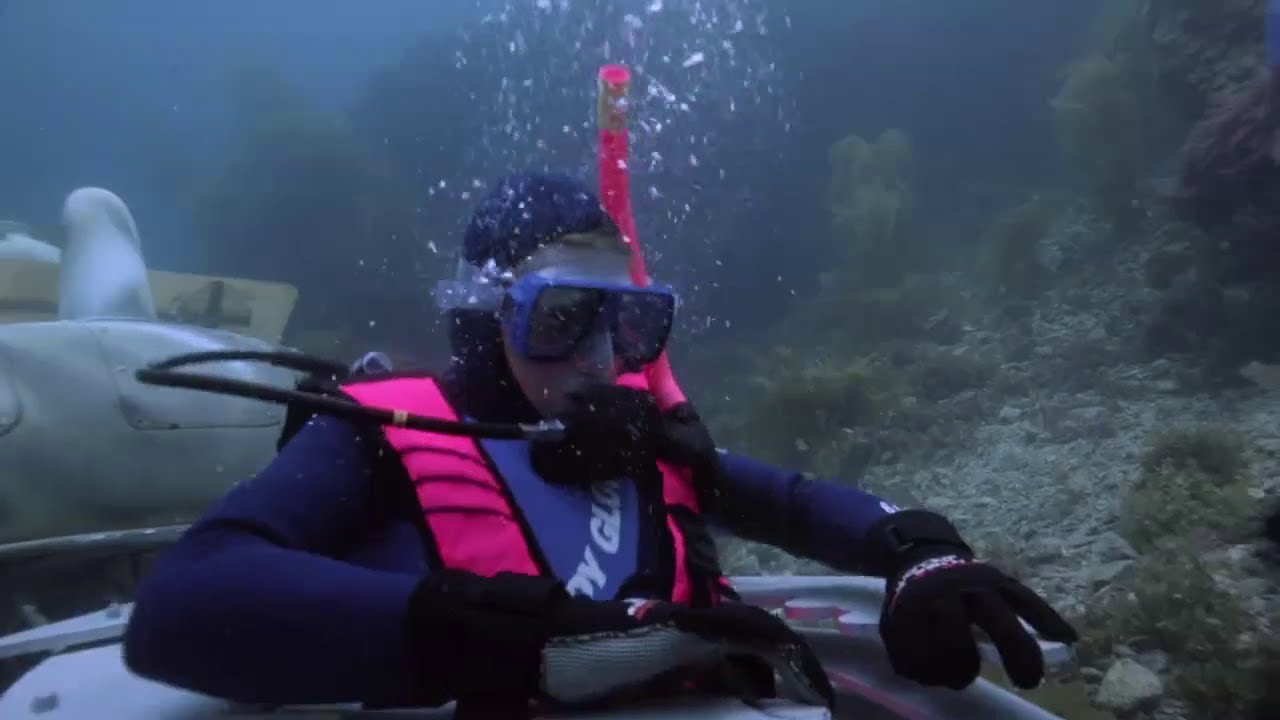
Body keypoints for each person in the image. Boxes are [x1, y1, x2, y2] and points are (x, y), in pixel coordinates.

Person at [123, 171, 1077, 714]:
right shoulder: (381, 435)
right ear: (486, 318)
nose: (598, 356)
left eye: (628, 323)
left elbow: (791, 503)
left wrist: (918, 552)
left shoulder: (638, 443)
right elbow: (182, 603)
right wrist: (484, 631)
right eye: (562, 319)